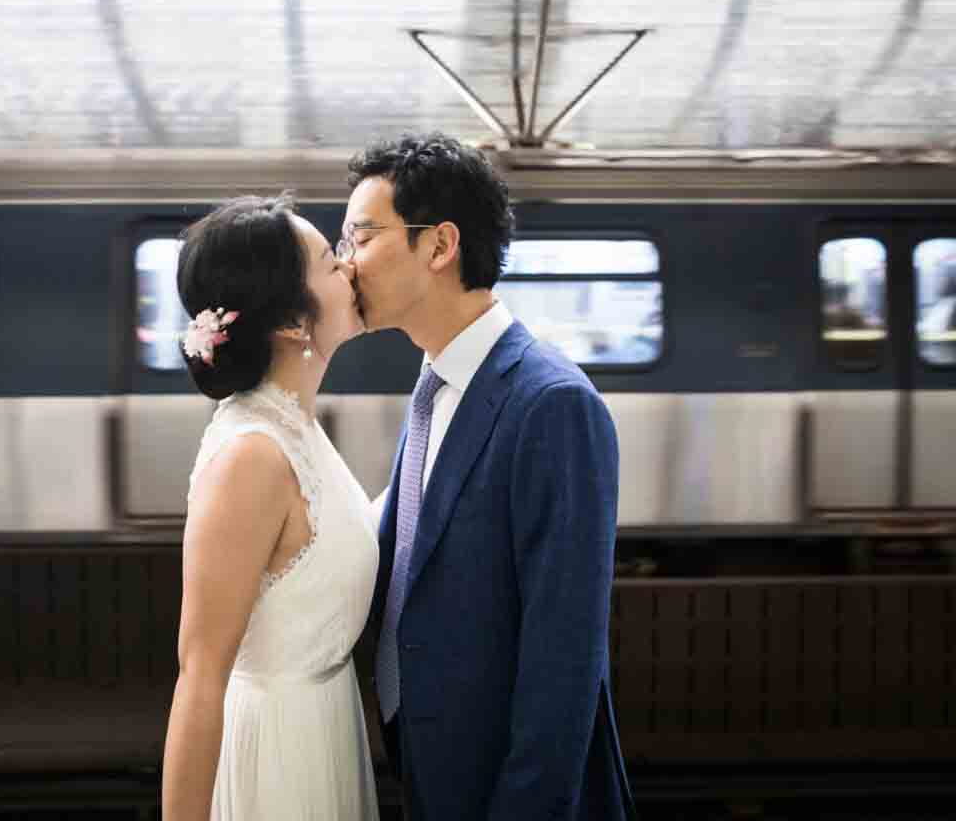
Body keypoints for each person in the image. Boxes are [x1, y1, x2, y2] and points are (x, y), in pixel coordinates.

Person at [343, 133, 636, 820]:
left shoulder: (552, 404)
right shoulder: (436, 385)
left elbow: (565, 661)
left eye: (360, 236)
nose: (344, 261)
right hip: (437, 768)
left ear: (440, 247)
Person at [161, 193, 378, 821]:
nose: (350, 266)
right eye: (328, 261)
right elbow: (200, 674)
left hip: (319, 732)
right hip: (278, 761)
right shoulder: (251, 455)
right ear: (290, 321)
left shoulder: (296, 427)